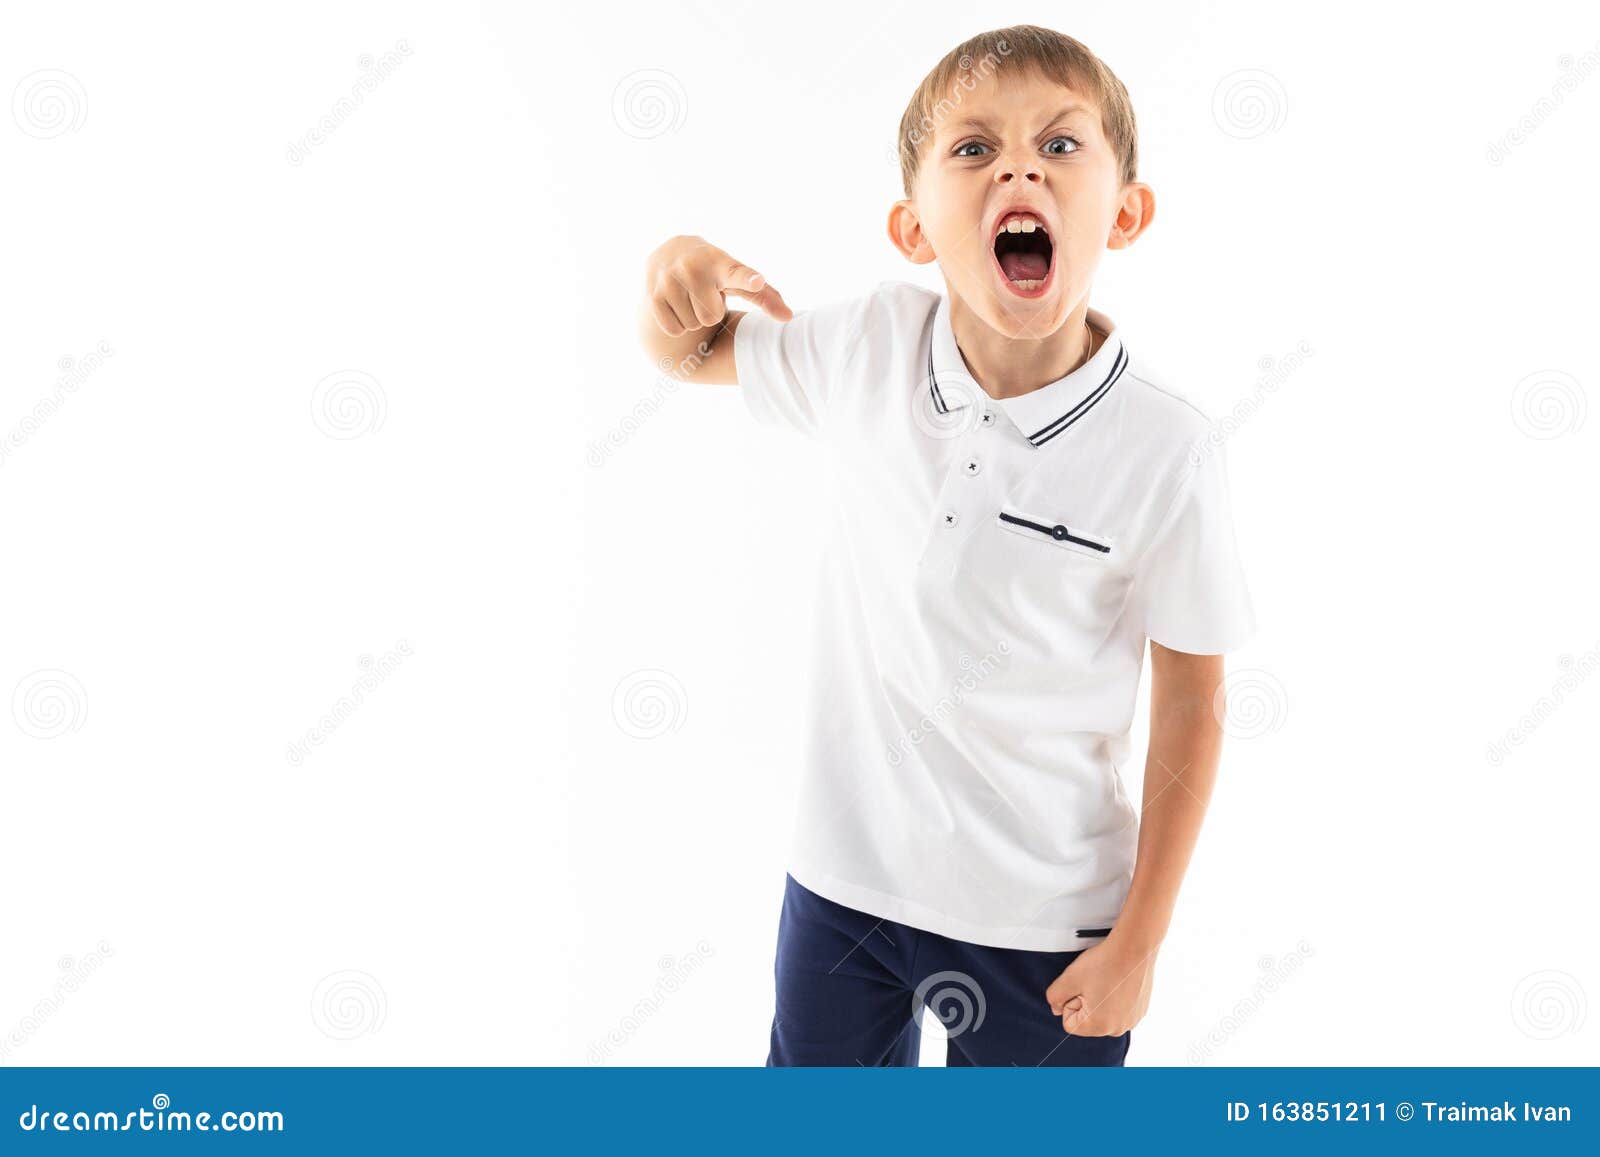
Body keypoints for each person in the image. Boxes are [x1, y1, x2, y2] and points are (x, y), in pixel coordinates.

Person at [636, 24, 1257, 1066]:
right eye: (973, 149)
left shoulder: (1168, 448)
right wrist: (670, 272)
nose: (1019, 165)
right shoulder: (866, 347)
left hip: (1046, 923)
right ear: (912, 227)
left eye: (1060, 146)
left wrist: (1141, 941)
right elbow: (690, 352)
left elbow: (1194, 703)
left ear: (1127, 210)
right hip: (845, 888)